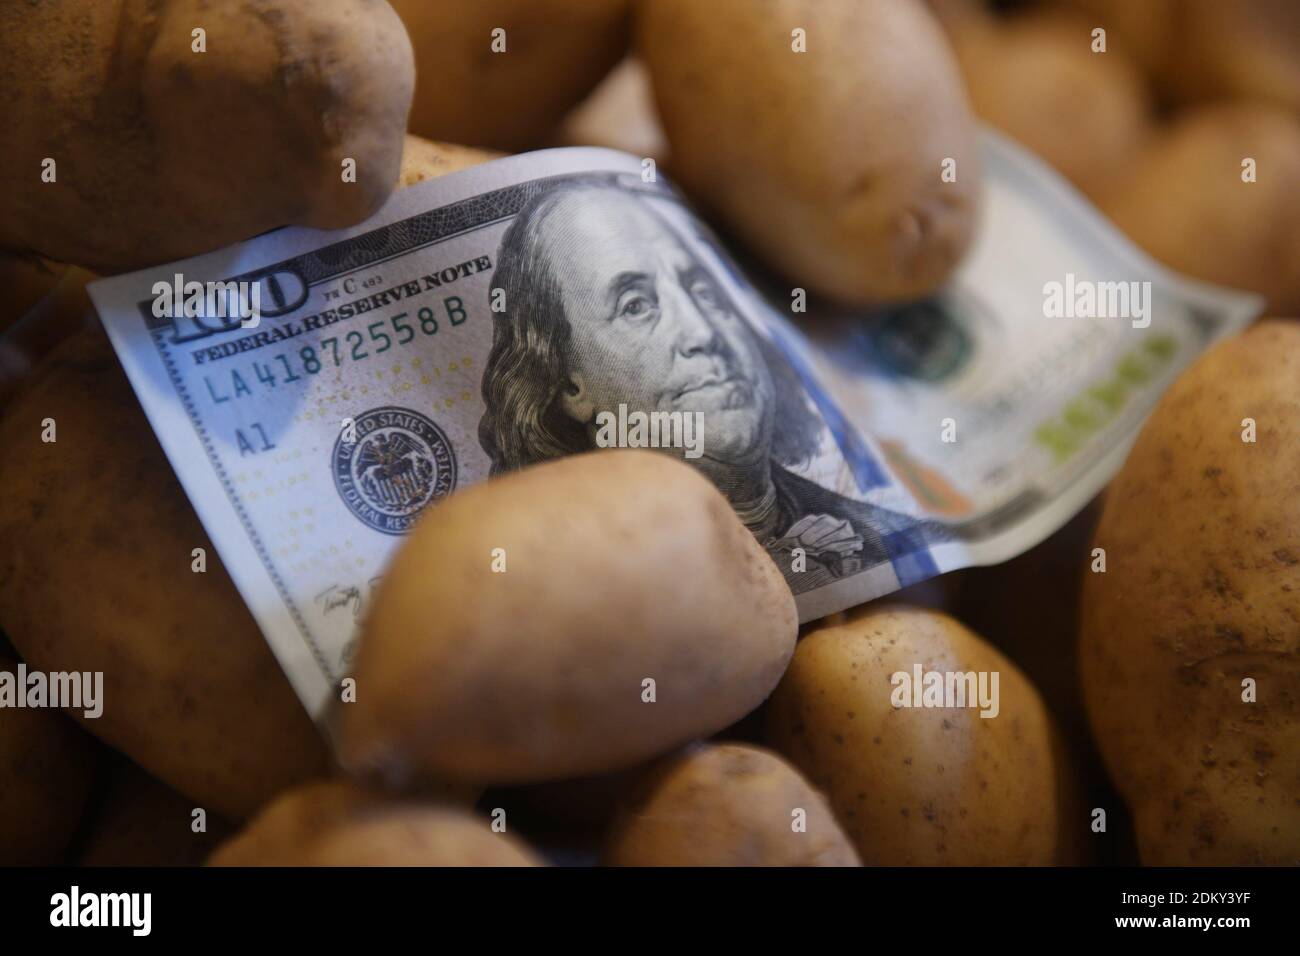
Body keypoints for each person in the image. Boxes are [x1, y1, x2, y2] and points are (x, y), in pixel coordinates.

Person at [478, 180, 933, 593]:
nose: (702, 333)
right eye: (636, 306)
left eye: (704, 293)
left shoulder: (887, 536)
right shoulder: (562, 595)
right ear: (569, 386)